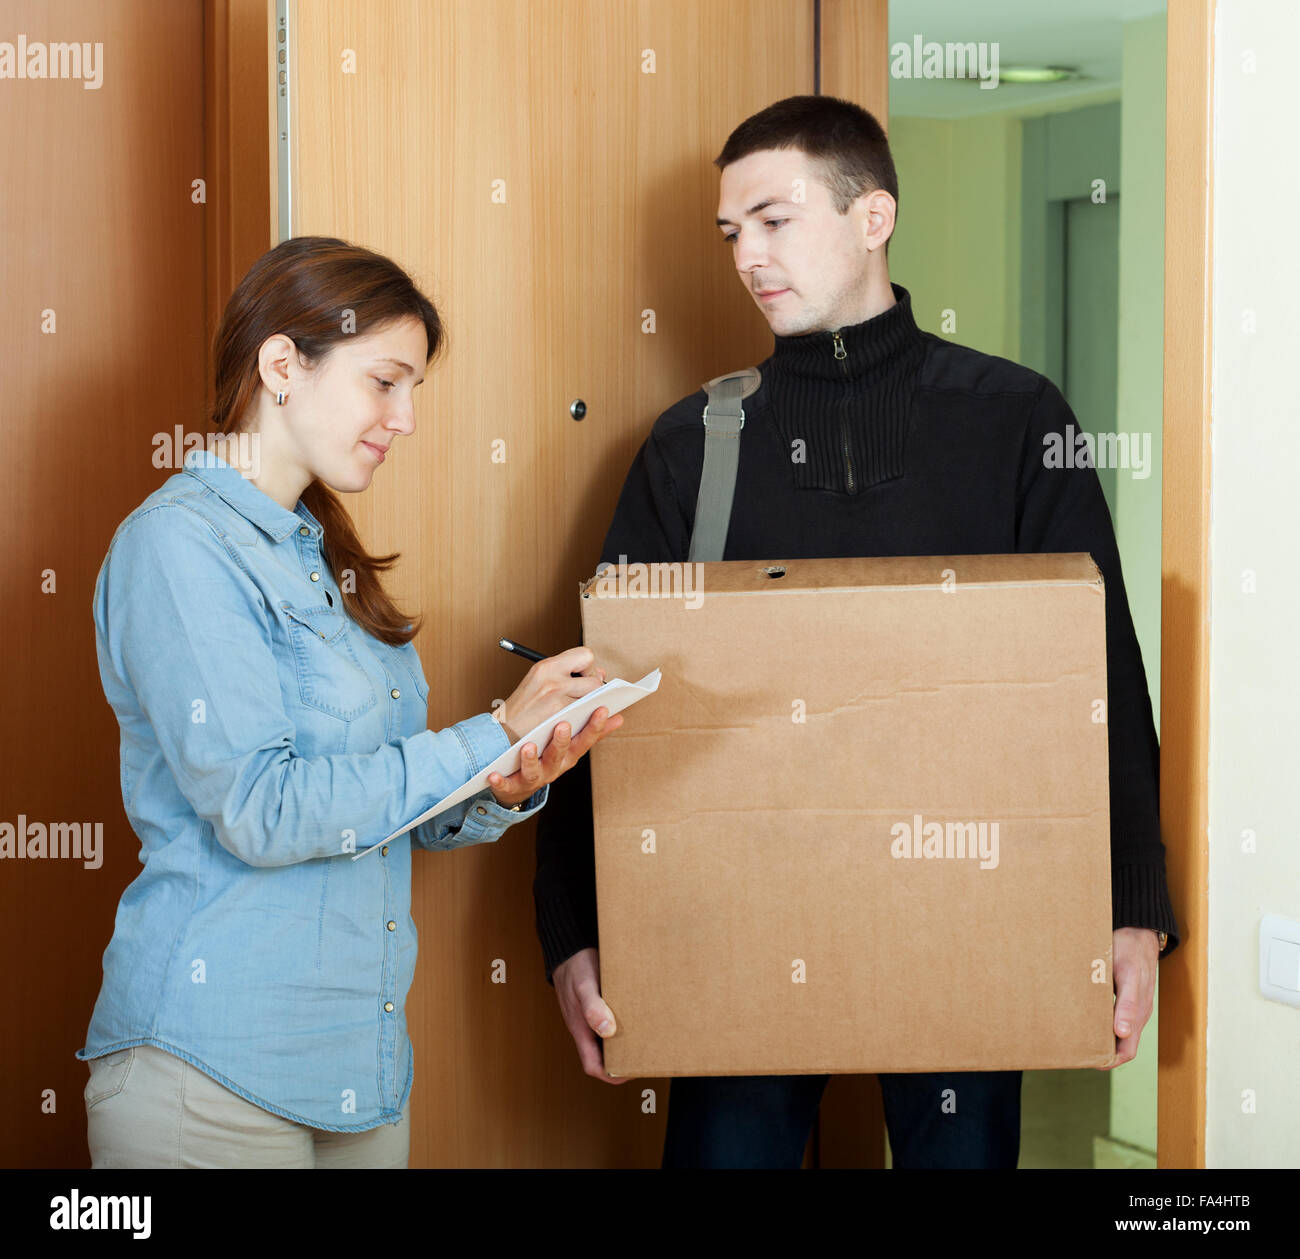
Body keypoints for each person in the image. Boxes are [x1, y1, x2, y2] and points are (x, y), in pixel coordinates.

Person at [533, 95, 1181, 1169]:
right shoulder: (692, 445)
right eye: (731, 231)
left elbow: (1099, 675)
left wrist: (1131, 907)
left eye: (775, 219)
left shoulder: (1016, 420)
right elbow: (595, 699)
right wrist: (573, 932)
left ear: (872, 216)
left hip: (969, 909)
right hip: (729, 918)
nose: (748, 254)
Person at [77, 236, 622, 1168]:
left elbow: (379, 815)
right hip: (207, 1077)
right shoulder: (176, 548)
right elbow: (261, 807)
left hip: (360, 1079)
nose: (404, 417)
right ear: (283, 364)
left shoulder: (322, 556)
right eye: (385, 381)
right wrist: (489, 730)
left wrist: (501, 777)